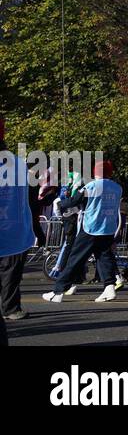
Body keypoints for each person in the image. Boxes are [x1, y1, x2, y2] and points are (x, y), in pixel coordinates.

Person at [43, 159, 123, 304]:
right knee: (104, 258)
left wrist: (59, 203)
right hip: (108, 228)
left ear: (95, 171)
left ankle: (58, 291)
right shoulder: (117, 187)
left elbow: (74, 201)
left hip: (91, 227)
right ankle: (109, 287)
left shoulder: (91, 186)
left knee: (75, 258)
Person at [0, 120, 39, 346]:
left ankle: (10, 307)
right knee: (11, 276)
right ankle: (11, 307)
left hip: (14, 231)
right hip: (15, 233)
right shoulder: (19, 165)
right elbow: (31, 200)